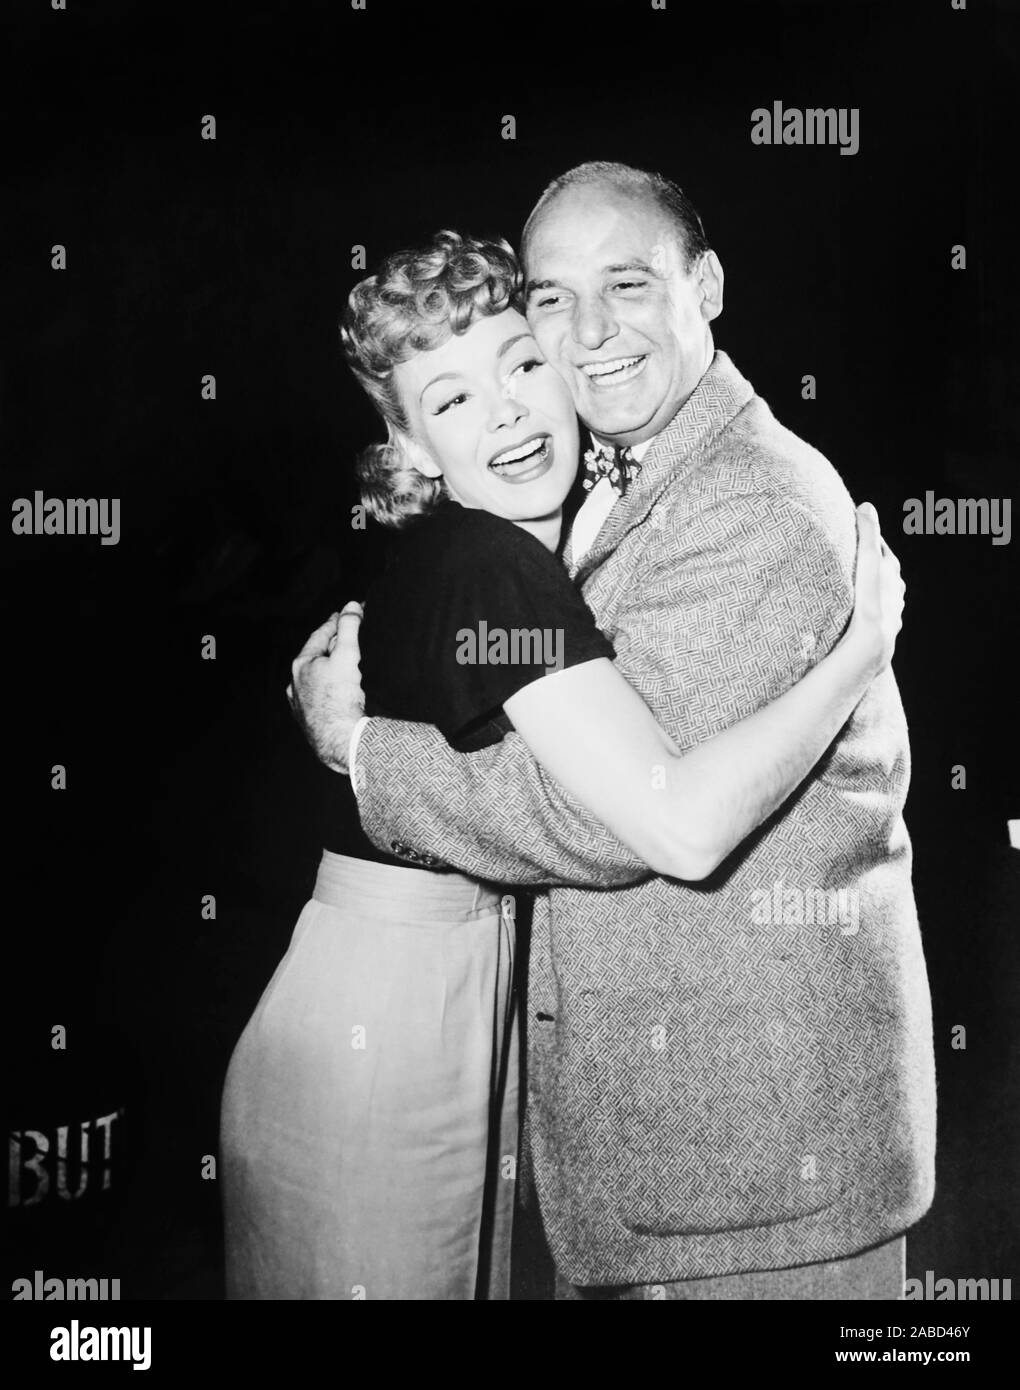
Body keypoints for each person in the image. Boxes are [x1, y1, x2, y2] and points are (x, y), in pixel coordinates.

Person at [292, 165, 937, 1301]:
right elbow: (629, 803)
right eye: (554, 298)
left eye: (627, 284)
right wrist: (856, 659)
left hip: (757, 1174)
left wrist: (363, 754)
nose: (589, 333)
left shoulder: (746, 501)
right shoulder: (509, 546)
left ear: (708, 286)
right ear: (409, 444)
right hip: (517, 1080)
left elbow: (630, 819)